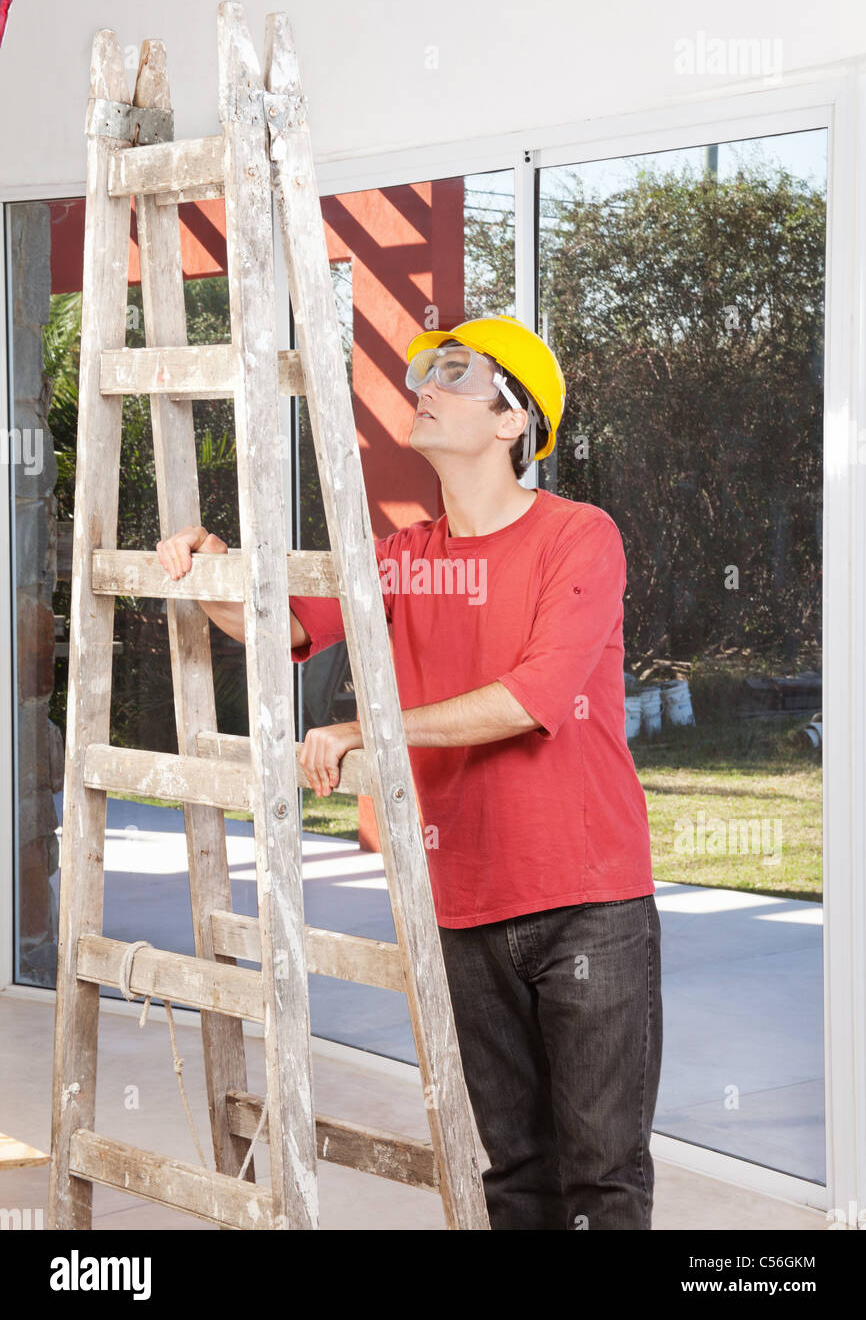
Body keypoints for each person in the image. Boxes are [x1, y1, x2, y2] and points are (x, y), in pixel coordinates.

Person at [156, 314, 662, 1231]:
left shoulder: (579, 536)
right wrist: (211, 565)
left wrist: (367, 730)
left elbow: (531, 697)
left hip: (588, 902)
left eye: (455, 372)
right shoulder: (402, 557)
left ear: (514, 421)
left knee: (601, 1173)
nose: (422, 383)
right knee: (507, 1169)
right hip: (458, 908)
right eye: (423, 368)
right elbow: (292, 629)